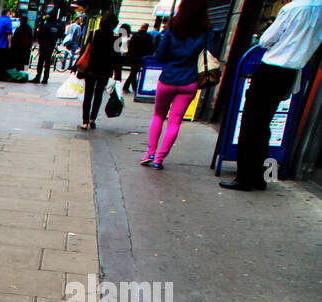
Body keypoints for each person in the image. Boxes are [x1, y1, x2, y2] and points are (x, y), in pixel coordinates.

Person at [221, 0, 322, 190]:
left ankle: (244, 177)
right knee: (264, 124)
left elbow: (265, 40)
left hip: (271, 69)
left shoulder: (292, 8)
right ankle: (259, 177)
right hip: (291, 72)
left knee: (251, 124)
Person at [140, 0, 212, 169]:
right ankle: (159, 159)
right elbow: (211, 54)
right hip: (189, 81)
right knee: (175, 121)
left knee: (158, 116)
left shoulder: (173, 27)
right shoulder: (206, 30)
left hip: (168, 78)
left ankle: (150, 152)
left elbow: (161, 55)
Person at [77, 11, 121, 129]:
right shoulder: (117, 38)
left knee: (88, 95)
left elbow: (85, 51)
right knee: (98, 95)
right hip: (105, 71)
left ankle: (84, 121)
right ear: (114, 24)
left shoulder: (93, 34)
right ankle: (92, 119)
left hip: (91, 69)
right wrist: (118, 75)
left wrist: (76, 66)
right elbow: (117, 58)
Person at [122, 17, 154, 93]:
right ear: (146, 28)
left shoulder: (135, 35)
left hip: (133, 56)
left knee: (134, 71)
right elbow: (150, 48)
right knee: (134, 72)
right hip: (142, 57)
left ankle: (134, 87)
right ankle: (127, 86)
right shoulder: (148, 37)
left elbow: (130, 45)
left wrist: (129, 54)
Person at [34, 7, 62, 84]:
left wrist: (40, 42)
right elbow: (59, 35)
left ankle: (38, 76)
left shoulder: (46, 25)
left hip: (44, 45)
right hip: (51, 46)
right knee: (47, 62)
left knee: (41, 61)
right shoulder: (57, 26)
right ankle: (45, 78)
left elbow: (40, 35)